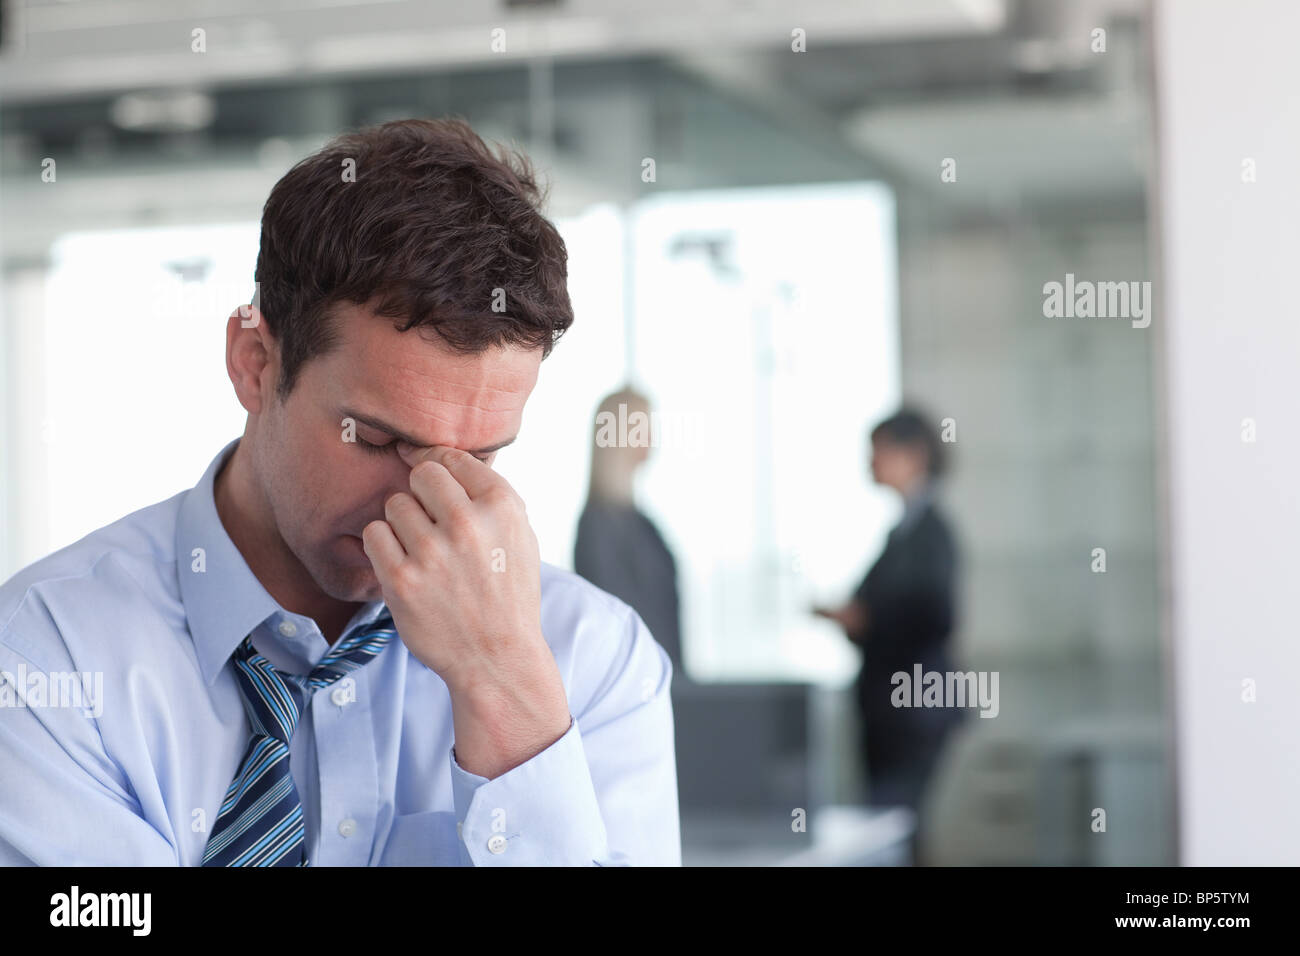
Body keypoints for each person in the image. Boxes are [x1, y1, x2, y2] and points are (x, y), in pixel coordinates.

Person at [0, 118, 680, 866]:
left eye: (482, 457)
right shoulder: (43, 662)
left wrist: (503, 690)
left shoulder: (594, 663)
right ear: (255, 362)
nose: (425, 503)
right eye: (382, 441)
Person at [814, 408, 962, 817]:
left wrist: (867, 620)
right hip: (897, 709)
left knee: (894, 825)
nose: (870, 462)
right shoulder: (905, 530)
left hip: (913, 711)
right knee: (896, 828)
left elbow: (936, 617)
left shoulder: (931, 533)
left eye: (878, 451)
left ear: (913, 455)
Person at [573, 388, 684, 677]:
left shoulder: (641, 521)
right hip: (633, 680)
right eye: (643, 427)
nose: (651, 440)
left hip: (662, 678)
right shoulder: (599, 526)